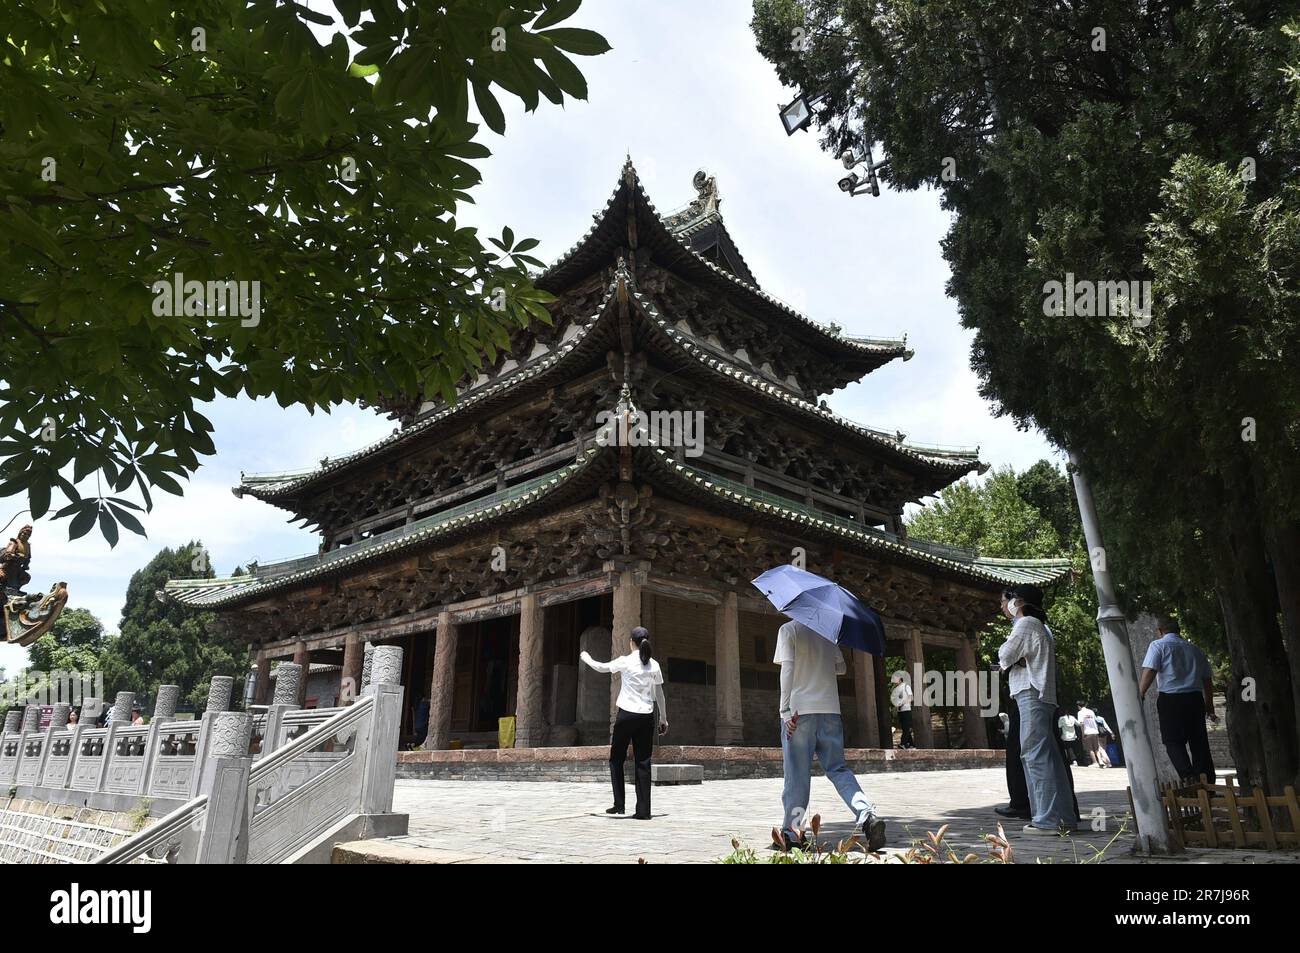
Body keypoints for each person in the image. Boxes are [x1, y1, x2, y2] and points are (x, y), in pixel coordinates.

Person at [775, 619, 885, 851]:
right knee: (838, 769)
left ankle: (793, 834)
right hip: (830, 712)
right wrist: (820, 665)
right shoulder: (827, 633)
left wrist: (784, 711)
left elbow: (787, 668)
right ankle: (867, 816)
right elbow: (841, 668)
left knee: (797, 775)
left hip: (799, 712)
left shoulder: (789, 630)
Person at [996, 585, 1075, 834]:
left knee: (1034, 756)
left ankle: (1047, 819)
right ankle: (1063, 817)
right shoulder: (1037, 626)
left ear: (1017, 601)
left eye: (1004, 601)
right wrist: (1015, 660)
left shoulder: (1026, 623)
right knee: (1048, 757)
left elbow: (1004, 654)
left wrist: (1012, 660)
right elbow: (1013, 658)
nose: (1002, 606)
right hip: (1040, 696)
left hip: (1031, 694)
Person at [580, 626, 667, 820]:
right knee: (643, 762)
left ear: (631, 642)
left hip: (626, 716)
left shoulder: (625, 661)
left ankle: (619, 805)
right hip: (646, 717)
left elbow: (601, 667)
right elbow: (659, 694)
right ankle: (644, 811)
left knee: (616, 759)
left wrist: (586, 657)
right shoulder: (654, 665)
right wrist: (663, 719)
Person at [1139, 616, 1216, 783]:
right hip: (1195, 699)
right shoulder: (1195, 649)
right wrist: (1209, 705)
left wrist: (1141, 693)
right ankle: (1206, 779)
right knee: (1199, 741)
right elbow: (1207, 680)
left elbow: (1150, 670)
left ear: (1160, 631)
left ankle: (1188, 776)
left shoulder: (1158, 645)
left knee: (1172, 740)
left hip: (1171, 699)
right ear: (1178, 630)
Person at [1076, 700, 1110, 767]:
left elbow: (1082, 723)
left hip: (1087, 732)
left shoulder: (1080, 713)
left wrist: (1083, 734)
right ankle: (1100, 761)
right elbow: (1095, 720)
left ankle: (1095, 762)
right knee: (1096, 748)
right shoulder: (1091, 711)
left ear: (1079, 706)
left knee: (1090, 748)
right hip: (1095, 731)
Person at [891, 671, 915, 749]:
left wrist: (902, 704)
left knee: (907, 727)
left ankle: (903, 743)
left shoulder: (906, 686)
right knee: (905, 728)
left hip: (906, 710)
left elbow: (911, 698)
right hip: (900, 711)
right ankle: (911, 744)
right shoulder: (896, 689)